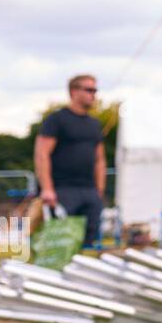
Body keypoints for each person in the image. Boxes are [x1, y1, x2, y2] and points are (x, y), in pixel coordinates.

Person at [34, 75, 107, 247]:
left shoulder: (94, 124)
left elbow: (100, 160)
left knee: (88, 240)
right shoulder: (57, 120)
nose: (93, 95)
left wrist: (99, 191)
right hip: (62, 190)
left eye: (95, 90)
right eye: (89, 90)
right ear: (74, 91)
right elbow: (41, 154)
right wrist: (47, 189)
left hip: (89, 191)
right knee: (61, 242)